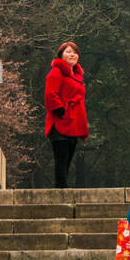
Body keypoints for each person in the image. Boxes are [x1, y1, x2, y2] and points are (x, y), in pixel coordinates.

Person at [44, 42, 88, 188]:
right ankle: (61, 191)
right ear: (61, 56)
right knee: (61, 158)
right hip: (60, 122)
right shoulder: (56, 72)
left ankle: (63, 189)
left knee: (68, 158)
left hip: (73, 123)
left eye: (75, 52)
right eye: (68, 52)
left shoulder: (77, 76)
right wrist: (60, 110)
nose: (72, 54)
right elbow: (50, 94)